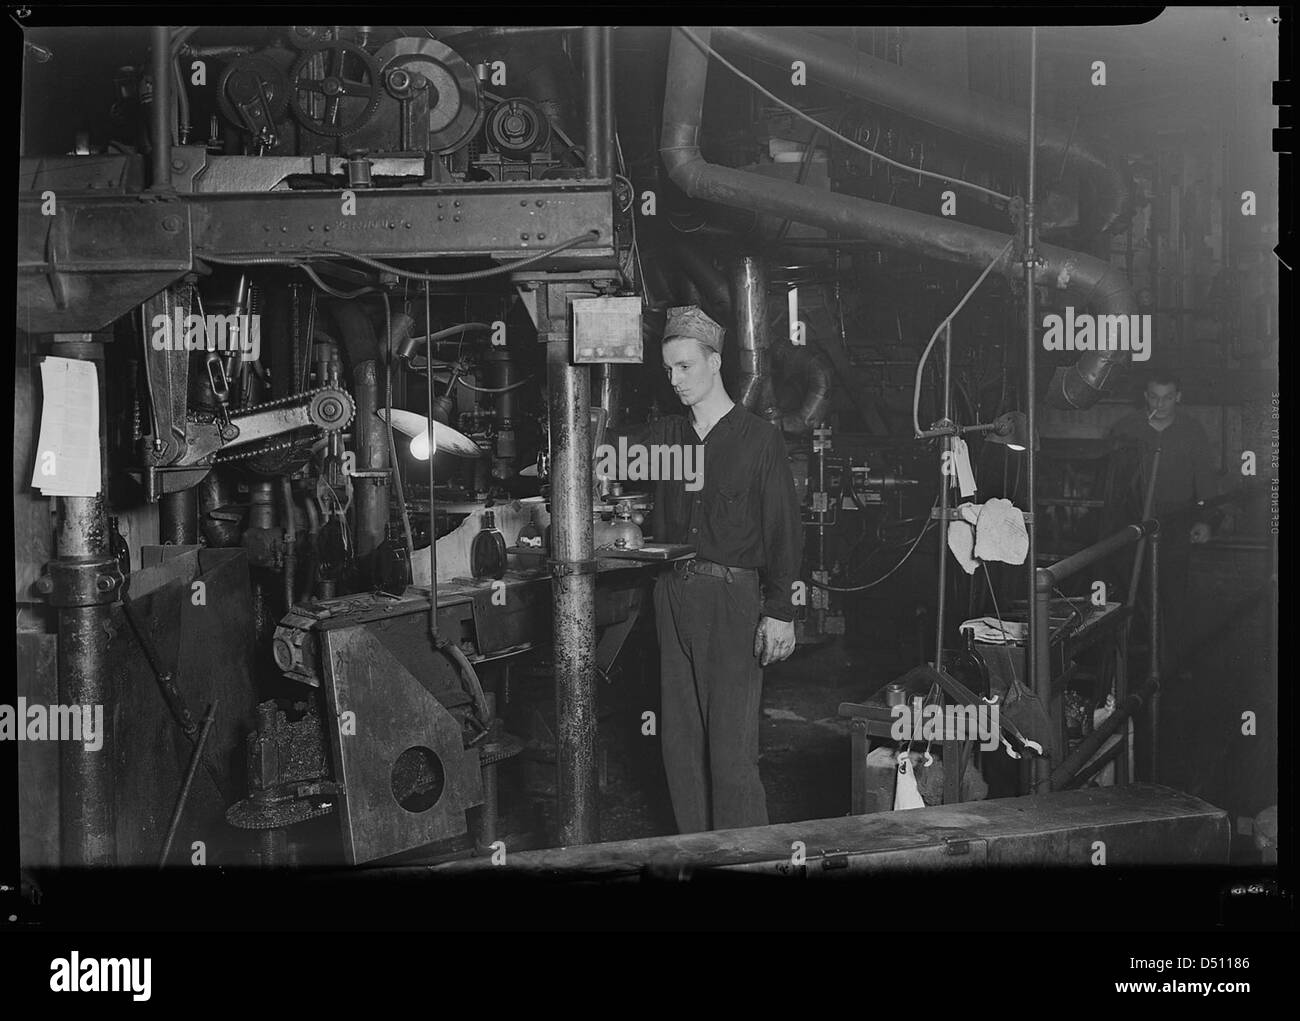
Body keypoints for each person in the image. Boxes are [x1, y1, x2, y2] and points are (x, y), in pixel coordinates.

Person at [620, 305, 803, 833]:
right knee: (679, 746)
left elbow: (784, 533)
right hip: (671, 594)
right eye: (669, 370)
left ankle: (747, 859)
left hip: (732, 600)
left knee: (730, 751)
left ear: (715, 362)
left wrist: (780, 612)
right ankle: (696, 855)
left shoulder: (758, 440)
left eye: (685, 367)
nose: (675, 380)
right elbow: (608, 455)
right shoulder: (666, 439)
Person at [1107, 371, 1221, 676]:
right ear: (1146, 396)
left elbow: (1206, 482)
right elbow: (1110, 485)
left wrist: (1205, 521)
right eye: (1154, 396)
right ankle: (1127, 668)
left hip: (1176, 521)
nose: (1161, 403)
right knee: (1130, 594)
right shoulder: (1126, 429)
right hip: (1132, 522)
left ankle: (1174, 668)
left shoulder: (1192, 431)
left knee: (1173, 596)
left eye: (1168, 397)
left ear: (1178, 397)